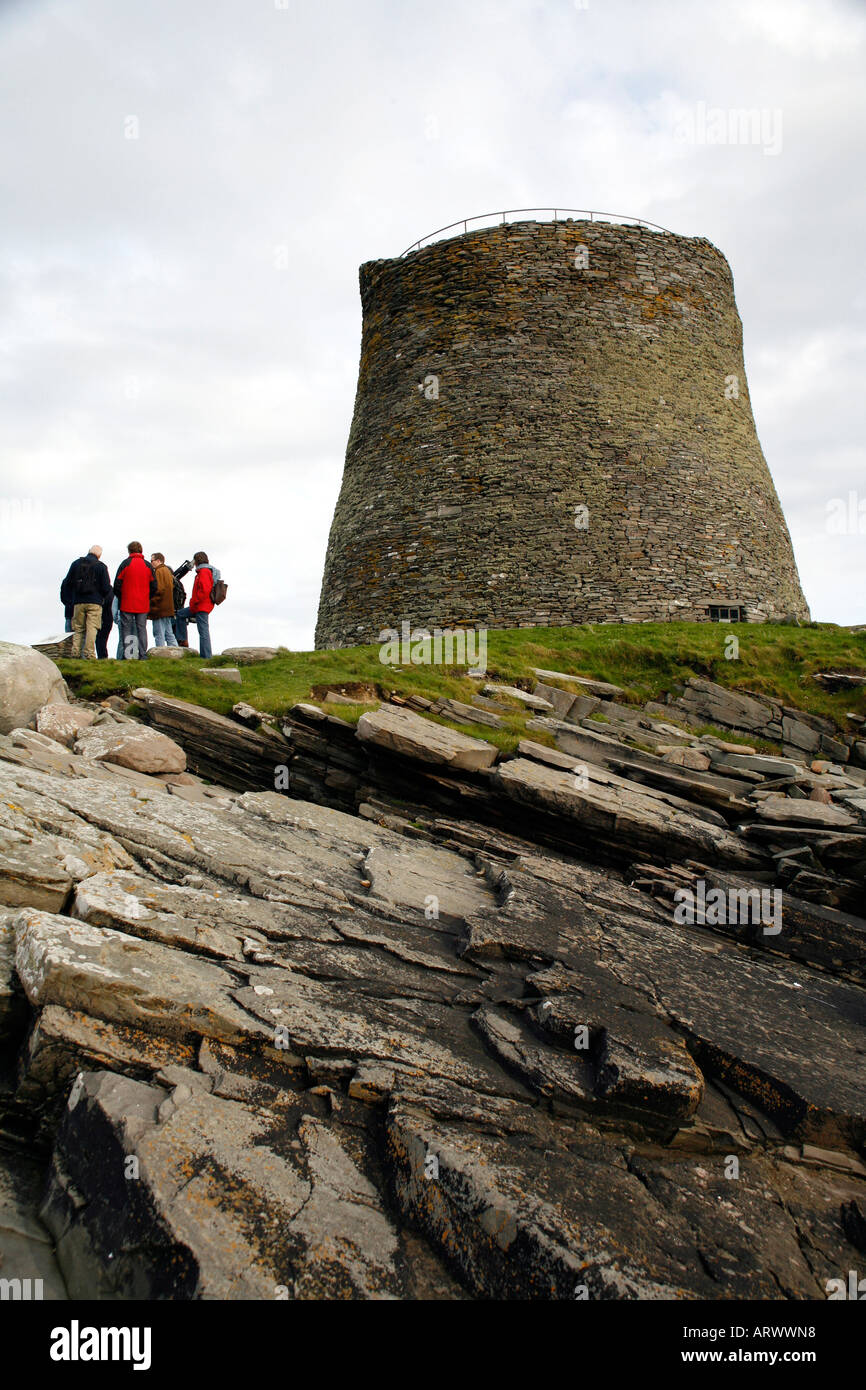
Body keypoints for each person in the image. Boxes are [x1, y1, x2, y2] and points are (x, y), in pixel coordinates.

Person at [60, 546, 113, 660]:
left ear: (89, 551)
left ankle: (75, 653)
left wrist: (70, 601)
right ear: (99, 555)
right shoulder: (101, 567)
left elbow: (67, 583)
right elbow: (106, 587)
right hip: (95, 603)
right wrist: (101, 598)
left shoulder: (75, 564)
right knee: (92, 628)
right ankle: (89, 654)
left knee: (78, 628)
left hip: (78, 602)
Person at [114, 542, 157, 660]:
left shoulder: (125, 564)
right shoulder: (148, 565)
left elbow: (117, 585)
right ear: (141, 550)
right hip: (142, 603)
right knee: (142, 628)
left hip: (127, 603)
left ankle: (129, 656)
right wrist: (146, 597)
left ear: (129, 551)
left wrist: (122, 597)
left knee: (126, 629)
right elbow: (154, 586)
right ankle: (143, 655)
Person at [174, 551, 219, 658]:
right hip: (202, 605)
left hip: (200, 606)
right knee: (181, 614)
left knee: (203, 631)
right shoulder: (206, 571)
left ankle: (206, 656)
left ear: (197, 560)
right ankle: (183, 641)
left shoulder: (203, 572)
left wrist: (194, 602)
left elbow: (204, 590)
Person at [149, 552, 178, 647]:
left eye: (152, 560)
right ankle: (176, 652)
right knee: (169, 633)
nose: (150, 563)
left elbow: (159, 589)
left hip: (159, 608)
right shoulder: (167, 571)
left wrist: (151, 602)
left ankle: (160, 654)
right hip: (168, 608)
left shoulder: (158, 571)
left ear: (158, 560)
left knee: (159, 633)